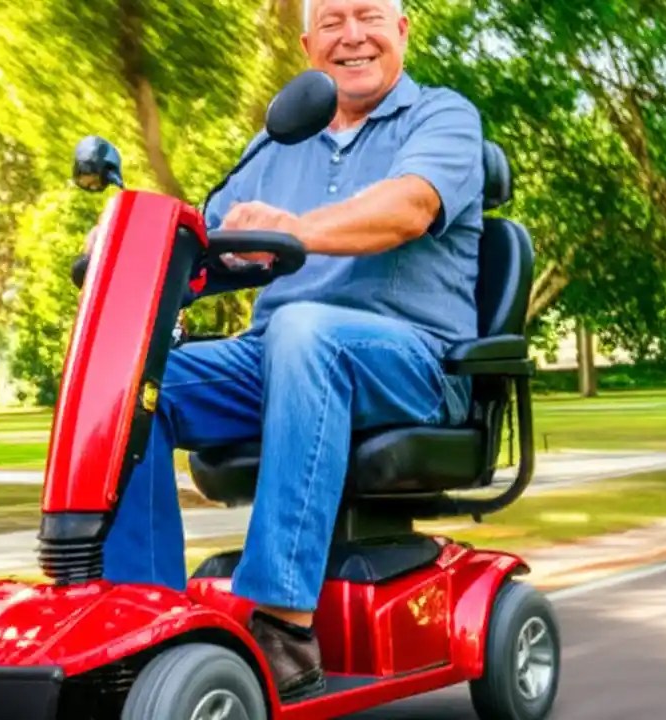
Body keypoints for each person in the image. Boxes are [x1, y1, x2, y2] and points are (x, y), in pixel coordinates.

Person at [98, 0, 485, 701]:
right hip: (277, 356)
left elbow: (409, 208)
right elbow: (202, 246)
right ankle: (142, 620)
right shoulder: (274, 145)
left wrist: (294, 229)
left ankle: (282, 623)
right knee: (128, 382)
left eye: (368, 15)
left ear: (401, 31)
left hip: (415, 364)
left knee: (308, 329)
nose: (352, 35)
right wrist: (131, 256)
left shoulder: (443, 117)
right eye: (333, 21)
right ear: (309, 43)